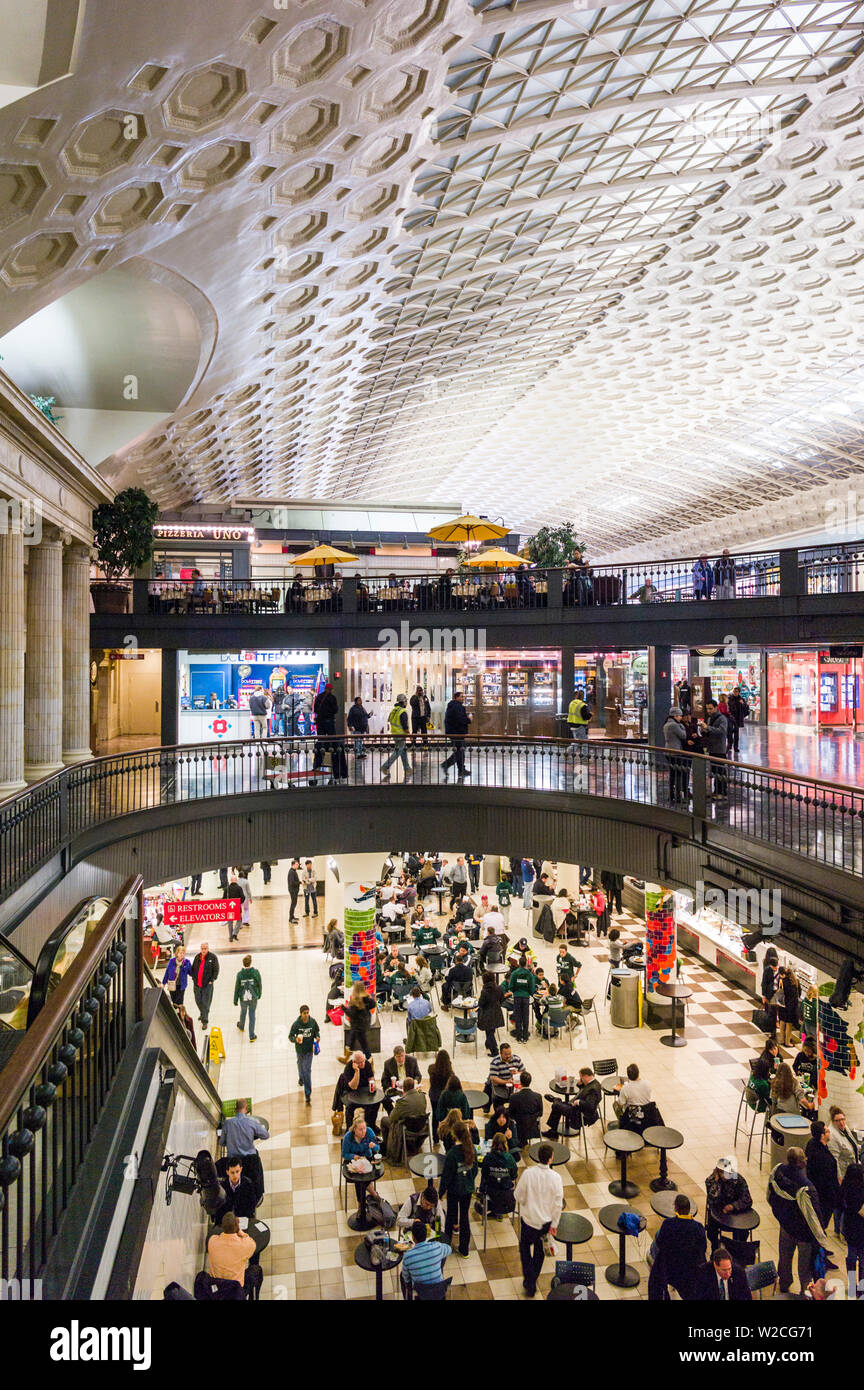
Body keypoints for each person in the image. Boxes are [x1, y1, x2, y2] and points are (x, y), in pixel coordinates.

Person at [768, 1145, 833, 1295]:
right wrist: (821, 1236)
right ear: (800, 1162)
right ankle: (806, 1292)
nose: (806, 1160)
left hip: (785, 1225)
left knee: (784, 1257)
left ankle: (784, 1284)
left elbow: (770, 1195)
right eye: (804, 1158)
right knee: (804, 1268)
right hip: (804, 1234)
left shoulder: (778, 1171)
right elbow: (815, 1215)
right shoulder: (806, 1187)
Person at [514, 1142, 563, 1297]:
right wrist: (554, 1223)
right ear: (550, 1159)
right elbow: (558, 1204)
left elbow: (518, 1195)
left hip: (528, 1221)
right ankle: (532, 1278)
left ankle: (529, 1279)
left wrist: (525, 1202)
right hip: (545, 1223)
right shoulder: (556, 1178)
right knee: (540, 1251)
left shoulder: (528, 1173)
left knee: (524, 1248)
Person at [648, 1194, 707, 1301]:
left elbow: (660, 1243)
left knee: (655, 1276)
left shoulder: (668, 1224)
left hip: (669, 1267)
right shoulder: (698, 1228)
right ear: (689, 1210)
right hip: (689, 1270)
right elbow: (703, 1248)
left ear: (676, 1208)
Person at [439, 1120, 478, 1256]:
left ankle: (446, 1247)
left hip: (454, 1190)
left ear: (455, 1135)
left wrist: (441, 1192)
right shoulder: (471, 1149)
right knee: (464, 1218)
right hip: (467, 1190)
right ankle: (464, 1250)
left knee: (451, 1217)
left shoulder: (452, 1153)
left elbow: (446, 1176)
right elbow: (475, 1170)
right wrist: (468, 1180)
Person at [221, 1100, 268, 1201]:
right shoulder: (252, 1122)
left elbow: (222, 1142)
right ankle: (258, 1195)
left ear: (235, 1110)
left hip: (233, 1162)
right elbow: (265, 1135)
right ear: (246, 1109)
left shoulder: (227, 1123)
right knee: (256, 1158)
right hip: (250, 1162)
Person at [705, 1157, 753, 1248]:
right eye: (722, 1172)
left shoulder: (738, 1179)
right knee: (711, 1231)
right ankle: (715, 1250)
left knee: (743, 1231)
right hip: (718, 1212)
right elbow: (712, 1199)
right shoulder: (711, 1181)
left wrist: (733, 1206)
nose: (724, 1176)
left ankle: (736, 1250)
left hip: (735, 1213)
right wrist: (717, 1183)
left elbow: (747, 1199)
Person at [543, 1065, 601, 1139]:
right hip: (576, 1107)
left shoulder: (593, 1089)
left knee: (556, 1106)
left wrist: (579, 1102)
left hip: (579, 1114)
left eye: (581, 1077)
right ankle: (553, 1131)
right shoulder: (593, 1083)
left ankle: (553, 1131)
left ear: (586, 1076)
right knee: (557, 1105)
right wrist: (580, 1085)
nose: (580, 1079)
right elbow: (584, 1093)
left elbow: (590, 1106)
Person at [806, 1120, 841, 1237]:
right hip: (824, 1196)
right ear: (822, 1135)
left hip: (816, 1192)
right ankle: (819, 1250)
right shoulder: (823, 1157)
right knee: (821, 1223)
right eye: (827, 1131)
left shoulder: (811, 1144)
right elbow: (827, 1180)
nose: (829, 1132)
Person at [208, 1211, 256, 1295]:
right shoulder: (244, 1246)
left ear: (222, 1226)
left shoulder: (212, 1241)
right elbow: (252, 1244)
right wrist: (239, 1231)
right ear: (236, 1225)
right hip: (234, 1290)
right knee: (256, 1270)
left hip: (216, 1289)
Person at [381, 1076, 428, 1162]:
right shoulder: (422, 1096)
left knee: (384, 1120)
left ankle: (386, 1147)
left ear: (403, 1089)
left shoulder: (402, 1102)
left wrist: (397, 1107)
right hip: (421, 1126)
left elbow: (392, 1118)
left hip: (407, 1128)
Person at [402, 1219, 451, 1292]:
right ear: (426, 1235)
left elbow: (406, 1278)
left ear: (413, 1237)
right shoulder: (437, 1247)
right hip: (439, 1290)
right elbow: (449, 1249)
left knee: (403, 1277)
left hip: (421, 1292)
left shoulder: (407, 1256)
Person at [478, 1132, 519, 1219]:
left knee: (485, 1178)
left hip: (491, 1193)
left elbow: (484, 1174)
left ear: (493, 1144)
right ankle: (499, 1212)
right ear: (505, 1144)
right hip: (507, 1196)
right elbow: (514, 1176)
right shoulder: (510, 1159)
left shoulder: (488, 1158)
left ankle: (482, 1197)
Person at [334, 1051, 379, 1129]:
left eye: (363, 1061)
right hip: (350, 1093)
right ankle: (349, 1129)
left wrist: (373, 1083)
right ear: (354, 1062)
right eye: (360, 1063)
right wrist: (357, 1071)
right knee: (350, 1107)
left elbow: (371, 1077)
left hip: (364, 1092)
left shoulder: (367, 1064)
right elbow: (353, 1087)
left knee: (375, 1103)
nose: (362, 1064)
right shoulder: (348, 1067)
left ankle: (370, 1125)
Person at [839, 1163, 864, 1296]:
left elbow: (840, 1206)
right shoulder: (861, 1190)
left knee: (851, 1256)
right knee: (862, 1257)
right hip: (861, 1228)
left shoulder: (845, 1187)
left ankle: (852, 1287)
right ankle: (861, 1287)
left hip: (849, 1227)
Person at [288, 1004, 319, 1105]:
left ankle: (308, 1094)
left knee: (307, 1070)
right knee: (300, 1067)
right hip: (300, 1050)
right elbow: (290, 1036)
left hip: (309, 1051)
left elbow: (316, 1031)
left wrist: (317, 1037)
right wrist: (295, 1039)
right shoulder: (296, 1024)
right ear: (301, 1014)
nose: (306, 1015)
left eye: (307, 1013)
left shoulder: (312, 1022)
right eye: (304, 1013)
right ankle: (301, 1078)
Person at [505, 953, 537, 1044]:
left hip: (517, 998)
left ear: (519, 963)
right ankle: (525, 1037)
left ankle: (519, 1037)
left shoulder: (514, 973)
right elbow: (532, 988)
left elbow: (511, 986)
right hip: (526, 998)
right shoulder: (529, 974)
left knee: (518, 1017)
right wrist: (528, 993)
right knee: (525, 1017)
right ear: (526, 963)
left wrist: (515, 991)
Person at [381, 693, 412, 782]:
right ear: (403, 702)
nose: (407, 703)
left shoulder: (394, 710)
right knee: (398, 752)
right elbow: (404, 725)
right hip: (401, 734)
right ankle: (385, 766)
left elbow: (389, 720)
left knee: (403, 750)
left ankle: (407, 769)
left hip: (395, 734)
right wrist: (409, 734)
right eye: (406, 701)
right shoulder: (403, 711)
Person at [507, 1071, 544, 1148]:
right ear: (530, 1082)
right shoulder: (538, 1096)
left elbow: (510, 1114)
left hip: (518, 1128)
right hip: (533, 1127)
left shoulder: (514, 1097)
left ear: (520, 1082)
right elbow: (540, 1113)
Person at [441, 690, 471, 782]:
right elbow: (460, 719)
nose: (463, 698)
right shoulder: (457, 707)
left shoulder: (453, 706)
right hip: (457, 732)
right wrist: (469, 719)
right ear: (456, 697)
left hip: (453, 732)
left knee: (460, 750)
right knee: (460, 750)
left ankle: (461, 770)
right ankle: (446, 764)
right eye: (461, 697)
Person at [485, 1042, 523, 1110]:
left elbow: (524, 1072)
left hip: (514, 1086)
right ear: (501, 1054)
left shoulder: (517, 1059)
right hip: (500, 1086)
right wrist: (506, 1082)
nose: (508, 1056)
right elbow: (494, 1078)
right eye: (506, 1054)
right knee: (497, 1100)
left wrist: (517, 1073)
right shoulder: (495, 1062)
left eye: (509, 1054)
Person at [663, 706, 690, 804]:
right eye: (680, 716)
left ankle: (671, 795)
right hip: (676, 752)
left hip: (668, 751)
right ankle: (678, 796)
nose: (681, 718)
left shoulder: (666, 724)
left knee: (672, 774)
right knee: (678, 774)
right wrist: (683, 727)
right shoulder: (674, 725)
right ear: (675, 715)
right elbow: (683, 735)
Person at [702, 700, 729, 798]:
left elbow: (722, 731)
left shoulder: (722, 719)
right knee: (715, 771)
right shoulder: (710, 719)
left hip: (719, 749)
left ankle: (722, 792)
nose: (708, 711)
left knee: (720, 771)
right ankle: (716, 791)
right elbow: (710, 732)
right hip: (712, 748)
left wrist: (708, 728)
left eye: (710, 708)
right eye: (707, 709)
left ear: (716, 708)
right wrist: (704, 730)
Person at [828, 1105, 860, 1182]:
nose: (841, 1123)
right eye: (838, 1120)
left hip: (853, 1166)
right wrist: (839, 1178)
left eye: (843, 1119)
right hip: (845, 1173)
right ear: (833, 1121)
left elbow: (852, 1143)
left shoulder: (844, 1127)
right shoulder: (832, 1136)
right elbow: (834, 1160)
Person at [477, 969, 506, 1057]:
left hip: (487, 1013)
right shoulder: (499, 988)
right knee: (491, 1030)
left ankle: (495, 1050)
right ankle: (488, 1044)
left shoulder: (484, 991)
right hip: (497, 1012)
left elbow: (481, 1004)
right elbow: (502, 999)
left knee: (489, 1032)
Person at [343, 981, 375, 1060]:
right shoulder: (367, 998)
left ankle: (370, 1060)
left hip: (357, 1025)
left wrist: (343, 1008)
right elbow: (373, 1004)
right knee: (352, 1039)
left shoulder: (356, 1000)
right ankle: (346, 1056)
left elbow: (351, 1014)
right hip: (364, 1023)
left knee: (364, 1044)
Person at [233, 954, 261, 1041]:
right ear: (250, 962)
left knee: (243, 1012)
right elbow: (259, 984)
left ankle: (241, 1026)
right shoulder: (255, 972)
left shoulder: (240, 974)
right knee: (252, 1014)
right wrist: (259, 993)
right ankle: (252, 1035)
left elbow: (237, 987)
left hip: (243, 997)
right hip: (253, 997)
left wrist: (235, 999)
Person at [191, 944, 219, 1028]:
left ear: (208, 949)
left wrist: (212, 980)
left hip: (207, 985)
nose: (203, 950)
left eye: (205, 949)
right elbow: (193, 968)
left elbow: (216, 969)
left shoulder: (212, 957)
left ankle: (204, 1021)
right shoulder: (197, 957)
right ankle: (203, 1013)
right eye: (202, 949)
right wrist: (193, 978)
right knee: (198, 1000)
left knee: (205, 1002)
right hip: (197, 984)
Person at [427, 1049, 452, 1123]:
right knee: (446, 1115)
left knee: (435, 1115)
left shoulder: (431, 1068)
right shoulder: (449, 1072)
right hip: (445, 1097)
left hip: (434, 1095)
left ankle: (435, 1133)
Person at [778, 965, 801, 1047]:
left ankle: (781, 1039)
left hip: (783, 1004)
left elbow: (779, 993)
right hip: (792, 1005)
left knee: (782, 1021)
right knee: (789, 1024)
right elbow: (799, 994)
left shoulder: (782, 982)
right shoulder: (796, 982)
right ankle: (787, 1042)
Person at [726, 685, 749, 754]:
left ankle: (736, 747)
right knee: (729, 732)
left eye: (736, 691)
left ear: (739, 692)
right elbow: (727, 706)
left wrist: (743, 704)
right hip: (730, 718)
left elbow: (746, 708)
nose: (735, 692)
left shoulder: (741, 699)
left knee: (736, 734)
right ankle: (730, 745)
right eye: (734, 691)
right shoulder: (730, 698)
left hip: (737, 719)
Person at [287, 858, 301, 924]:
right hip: (293, 891)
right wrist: (300, 882)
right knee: (293, 904)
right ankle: (290, 919)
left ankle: (292, 916)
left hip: (294, 890)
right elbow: (292, 883)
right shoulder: (291, 872)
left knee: (294, 903)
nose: (298, 865)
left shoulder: (293, 871)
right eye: (296, 864)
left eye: (298, 864)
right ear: (293, 865)